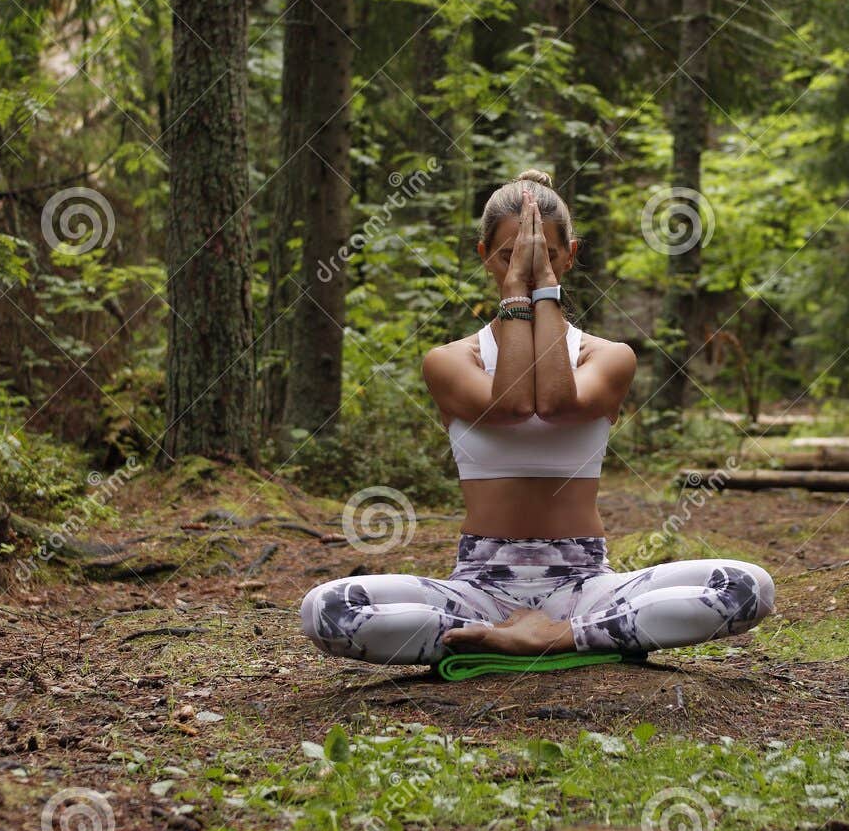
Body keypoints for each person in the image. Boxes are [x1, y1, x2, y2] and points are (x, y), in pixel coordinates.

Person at [299, 169, 775, 666]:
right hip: (480, 587)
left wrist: (542, 287)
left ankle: (560, 636)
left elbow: (555, 403)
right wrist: (517, 295)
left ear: (571, 254)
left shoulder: (608, 356)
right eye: (510, 257)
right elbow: (510, 404)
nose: (525, 269)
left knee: (748, 586)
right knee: (327, 609)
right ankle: (530, 632)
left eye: (545, 255)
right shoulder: (449, 360)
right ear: (483, 255)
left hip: (586, 583)